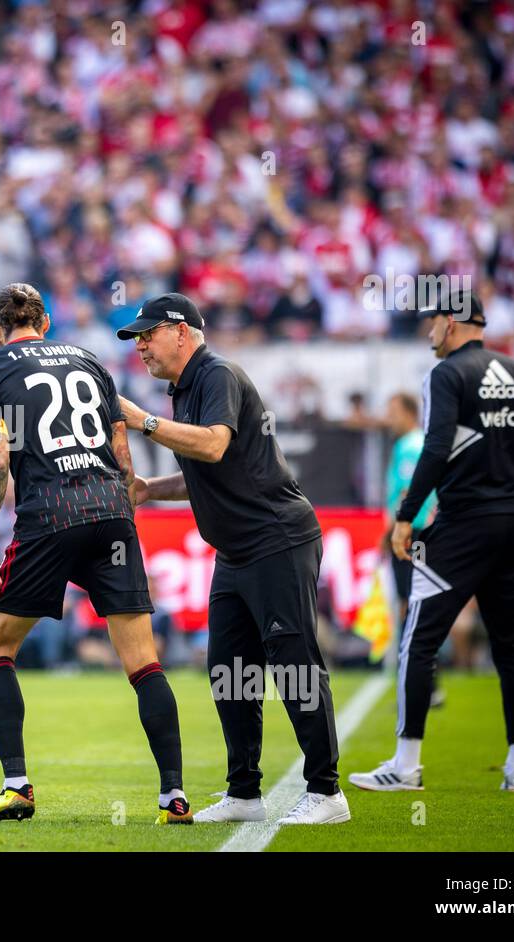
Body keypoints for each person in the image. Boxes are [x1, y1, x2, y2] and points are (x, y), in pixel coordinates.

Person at [0, 282, 192, 825]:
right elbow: (122, 452)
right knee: (144, 660)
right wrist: (121, 513)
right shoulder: (90, 361)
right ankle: (175, 797)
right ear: (45, 323)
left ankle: (16, 787)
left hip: (50, 513)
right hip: (112, 509)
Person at [118, 292, 349, 825]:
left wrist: (142, 421)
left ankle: (327, 791)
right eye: (137, 339)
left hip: (276, 540)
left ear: (181, 332)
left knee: (295, 666)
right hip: (237, 552)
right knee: (229, 669)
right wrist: (150, 489)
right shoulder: (186, 389)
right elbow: (206, 470)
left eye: (148, 334)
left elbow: (214, 445)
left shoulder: (216, 373)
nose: (141, 347)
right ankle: (244, 793)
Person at [350, 290, 514, 793]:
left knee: (419, 642)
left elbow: (436, 448)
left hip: (464, 526)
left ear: (450, 323)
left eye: (432, 323)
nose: (429, 332)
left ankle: (406, 766)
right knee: (511, 647)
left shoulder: (446, 375)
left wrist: (405, 517)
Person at [381, 392, 445, 708]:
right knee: (418, 602)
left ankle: (419, 685)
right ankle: (427, 684)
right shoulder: (419, 443)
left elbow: (408, 492)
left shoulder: (409, 446)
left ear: (408, 413)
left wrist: (392, 528)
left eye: (393, 412)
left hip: (411, 535)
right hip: (419, 534)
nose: (389, 419)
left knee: (412, 604)